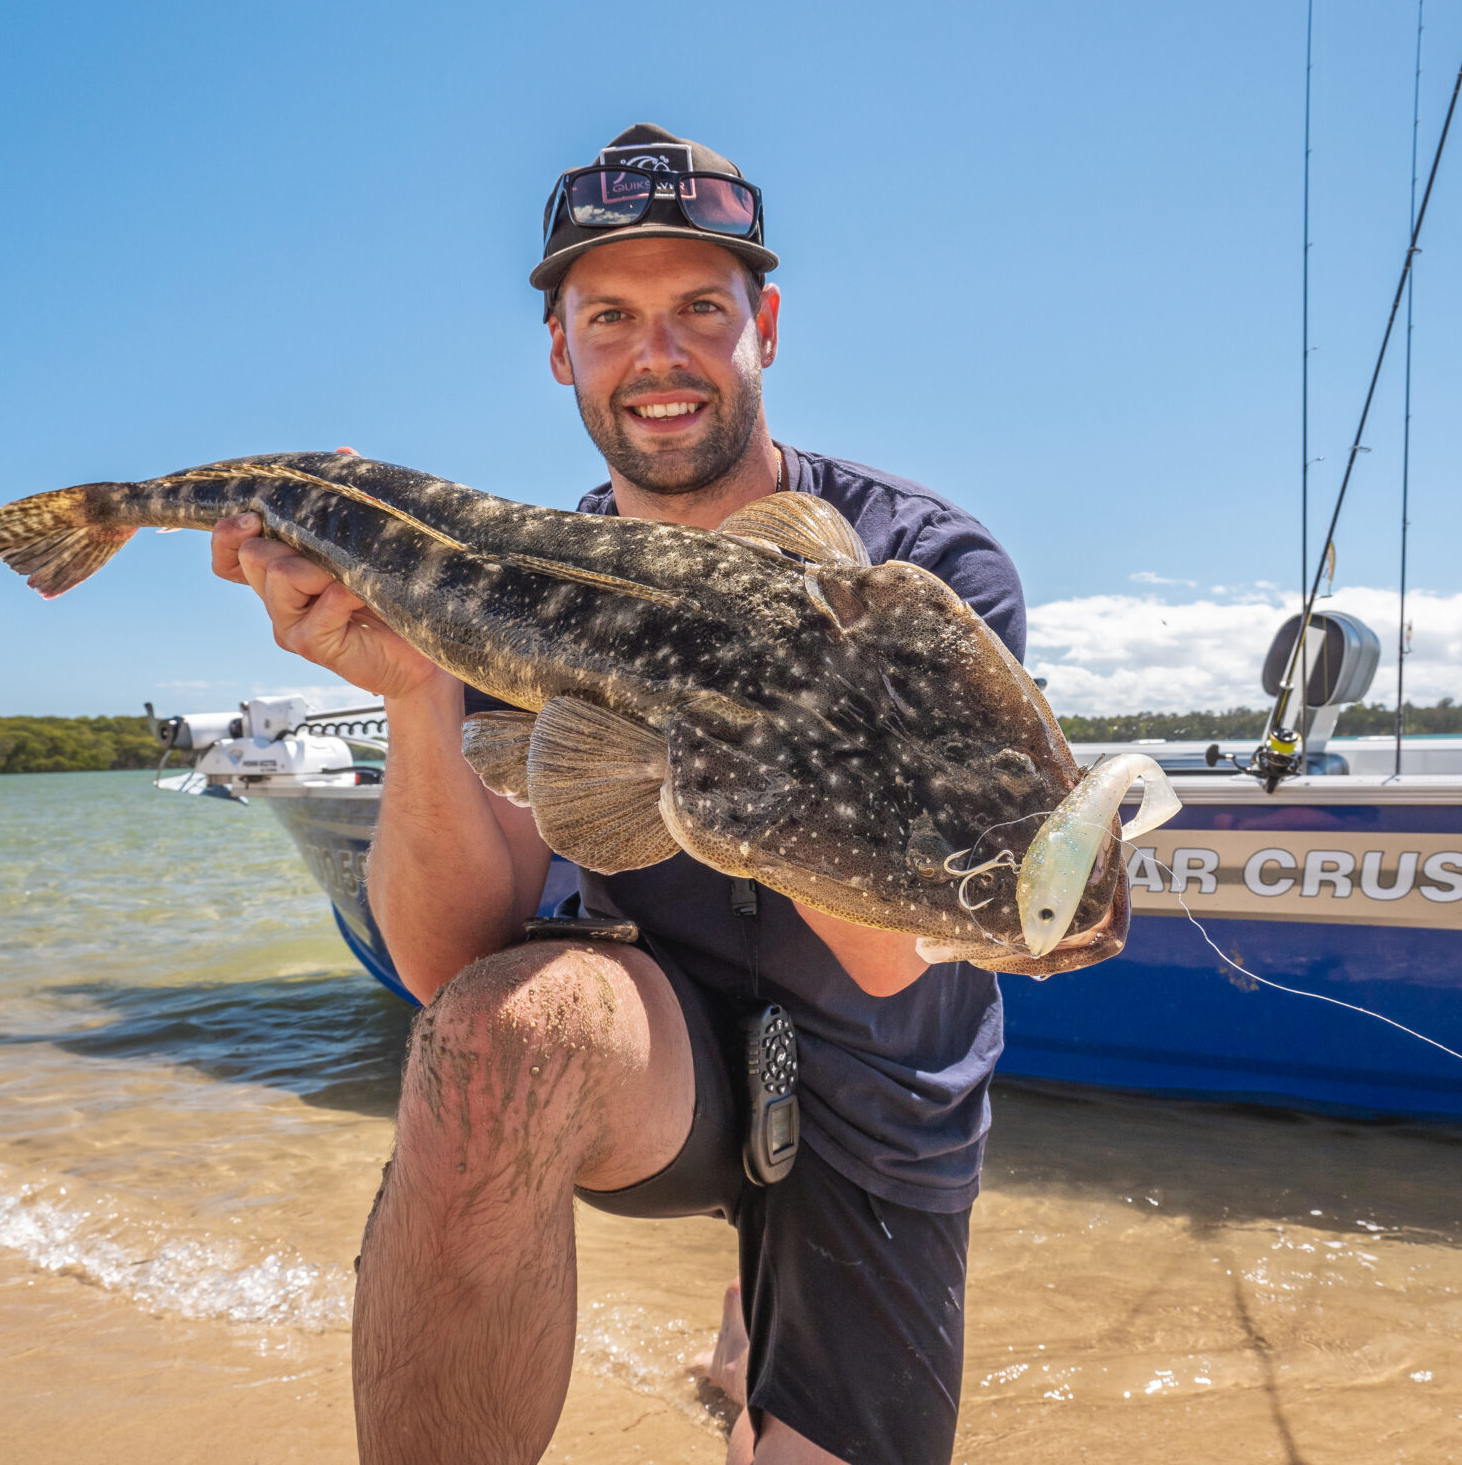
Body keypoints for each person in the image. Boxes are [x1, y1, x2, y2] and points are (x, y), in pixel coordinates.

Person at [211, 124, 1025, 1465]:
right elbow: (446, 963)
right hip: (667, 1051)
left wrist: (759, 697)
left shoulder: (916, 572)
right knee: (492, 1039)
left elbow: (894, 960)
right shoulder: (527, 586)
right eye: (611, 316)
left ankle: (751, 1333)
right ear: (561, 350)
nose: (660, 355)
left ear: (763, 323)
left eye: (701, 308)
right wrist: (421, 692)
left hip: (881, 1082)